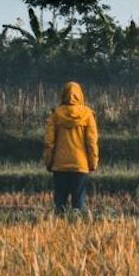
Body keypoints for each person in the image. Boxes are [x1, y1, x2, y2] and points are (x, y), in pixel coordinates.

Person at [43, 81, 99, 212]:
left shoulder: (55, 115)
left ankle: (58, 224)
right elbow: (91, 142)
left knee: (60, 205)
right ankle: (77, 223)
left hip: (60, 165)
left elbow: (48, 142)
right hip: (80, 165)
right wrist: (93, 163)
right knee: (78, 205)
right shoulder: (87, 115)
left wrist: (48, 162)